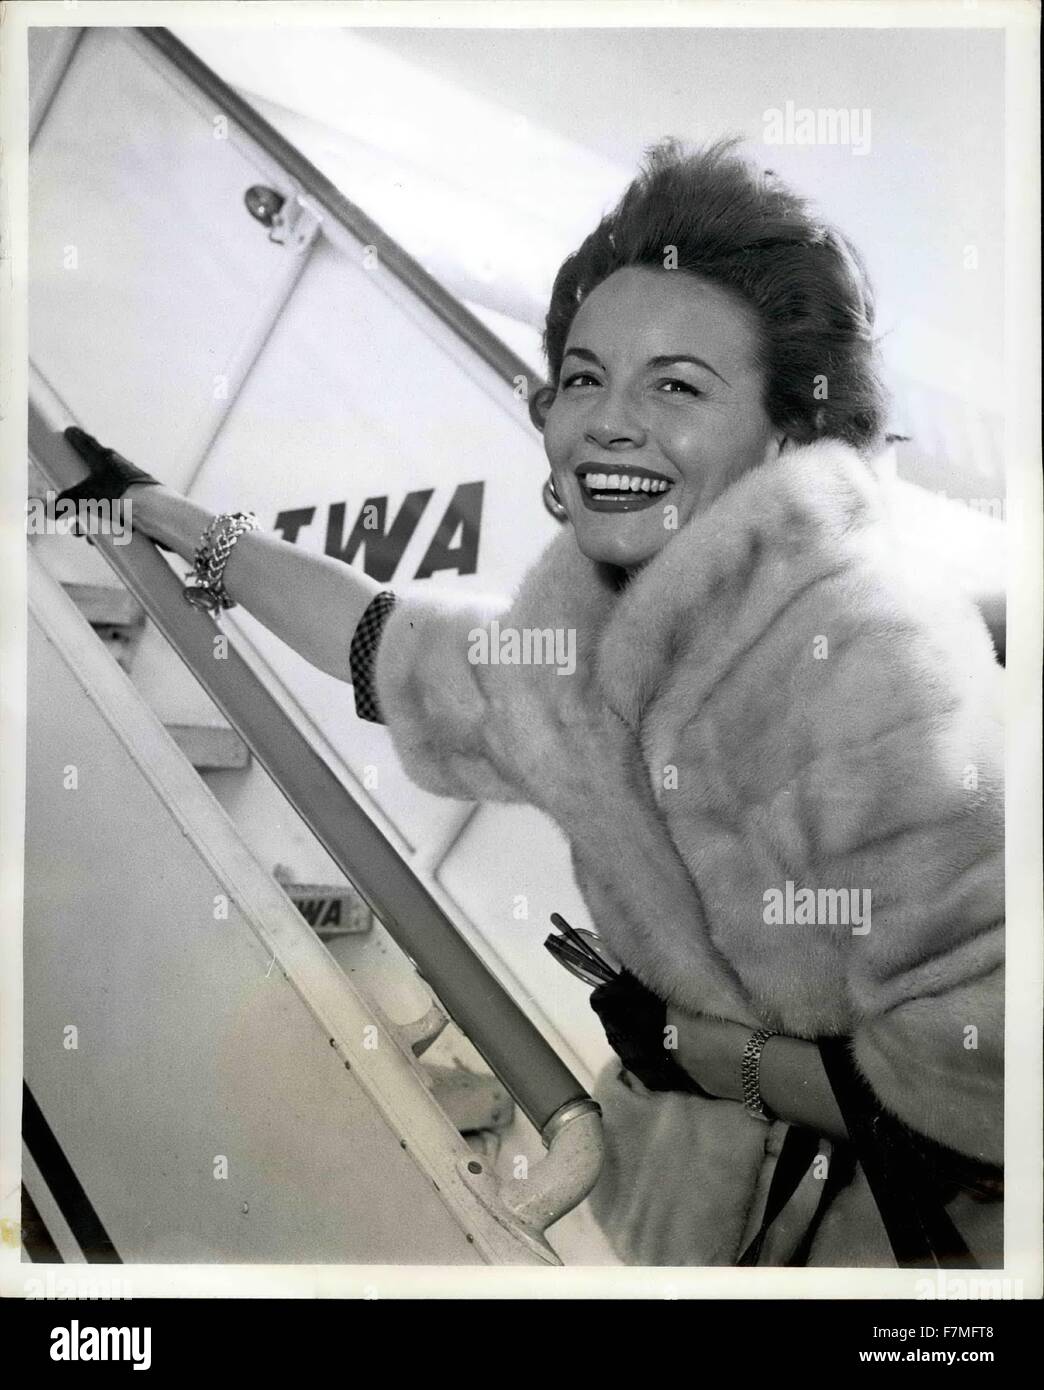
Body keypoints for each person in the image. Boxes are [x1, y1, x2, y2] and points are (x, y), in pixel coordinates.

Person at [56, 138, 1004, 1266]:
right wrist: (174, 520)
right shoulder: (592, 640)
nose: (608, 419)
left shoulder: (874, 672)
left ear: (790, 430)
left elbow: (984, 1084)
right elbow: (385, 647)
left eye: (678, 386)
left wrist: (694, 1051)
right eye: (586, 377)